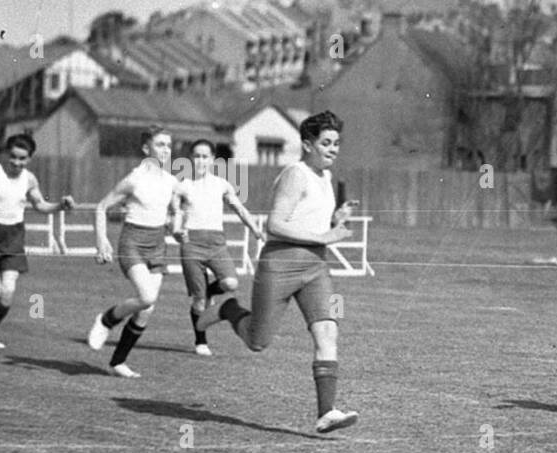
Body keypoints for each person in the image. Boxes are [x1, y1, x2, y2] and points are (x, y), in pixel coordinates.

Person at [195, 111, 359, 433]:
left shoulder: (325, 177)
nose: (333, 149)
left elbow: (308, 222)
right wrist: (326, 236)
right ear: (307, 144)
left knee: (327, 331)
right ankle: (229, 309)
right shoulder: (295, 174)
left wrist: (335, 221)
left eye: (337, 143)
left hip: (315, 267)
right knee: (258, 342)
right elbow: (275, 224)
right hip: (280, 266)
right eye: (326, 143)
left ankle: (326, 413)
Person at [86, 127, 188, 377]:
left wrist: (177, 228)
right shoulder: (134, 179)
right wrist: (101, 240)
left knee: (147, 309)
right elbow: (101, 207)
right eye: (160, 144)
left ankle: (117, 362)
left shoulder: (171, 181)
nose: (166, 150)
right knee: (147, 297)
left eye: (169, 145)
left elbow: (175, 213)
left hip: (157, 244)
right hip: (132, 242)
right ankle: (107, 319)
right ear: (146, 149)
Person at [176, 139, 264, 355]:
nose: (200, 161)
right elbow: (175, 214)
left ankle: (208, 292)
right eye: (196, 156)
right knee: (198, 300)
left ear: (212, 159)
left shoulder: (221, 184)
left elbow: (240, 209)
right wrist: (177, 230)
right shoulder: (183, 185)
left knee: (231, 283)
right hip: (192, 245)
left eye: (205, 156)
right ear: (190, 158)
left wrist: (255, 229)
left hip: (216, 243)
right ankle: (200, 341)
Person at [0, 134, 74, 349]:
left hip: (14, 237)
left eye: (22, 158)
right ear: (6, 154)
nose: (17, 163)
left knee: (7, 293)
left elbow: (40, 205)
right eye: (13, 157)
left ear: (30, 158)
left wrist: (60, 206)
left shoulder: (30, 179)